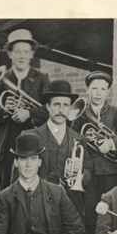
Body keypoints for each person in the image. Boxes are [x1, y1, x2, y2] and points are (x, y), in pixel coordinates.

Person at [70, 71, 117, 234]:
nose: (98, 93)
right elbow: (73, 137)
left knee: (108, 210)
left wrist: (111, 143)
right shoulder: (80, 112)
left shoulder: (115, 112)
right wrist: (86, 140)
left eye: (102, 89)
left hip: (109, 170)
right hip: (88, 170)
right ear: (87, 90)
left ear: (108, 92)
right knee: (89, 213)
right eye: (94, 88)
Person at [0, 29, 51, 194]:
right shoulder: (2, 80)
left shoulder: (42, 79)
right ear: (10, 54)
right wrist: (6, 110)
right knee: (7, 192)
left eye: (25, 52)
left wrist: (29, 114)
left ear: (31, 55)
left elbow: (50, 111)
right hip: (8, 147)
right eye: (17, 52)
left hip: (36, 146)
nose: (22, 56)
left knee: (35, 192)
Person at [23, 80, 93, 225]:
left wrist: (79, 176)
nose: (61, 110)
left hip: (70, 205)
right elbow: (17, 176)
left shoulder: (79, 138)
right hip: (37, 204)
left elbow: (88, 171)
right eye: (57, 105)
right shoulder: (30, 135)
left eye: (65, 105)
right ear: (48, 107)